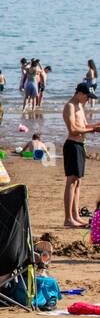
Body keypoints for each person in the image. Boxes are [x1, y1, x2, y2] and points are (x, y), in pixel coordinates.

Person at [63, 82, 100, 228]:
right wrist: (93, 130)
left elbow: (84, 126)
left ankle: (76, 216)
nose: (88, 99)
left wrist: (96, 126)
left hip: (80, 145)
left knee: (77, 182)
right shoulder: (70, 106)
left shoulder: (80, 106)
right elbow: (73, 129)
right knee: (71, 182)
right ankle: (68, 219)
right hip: (72, 145)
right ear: (79, 93)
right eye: (87, 96)